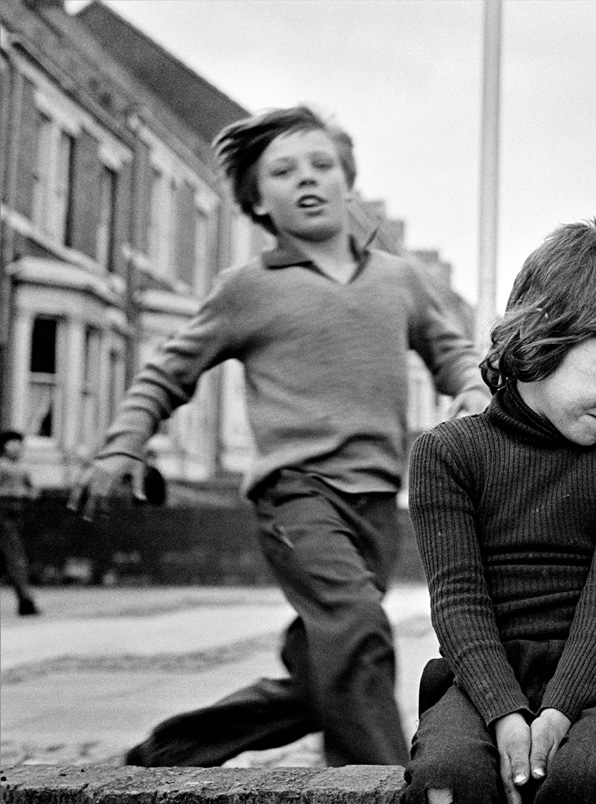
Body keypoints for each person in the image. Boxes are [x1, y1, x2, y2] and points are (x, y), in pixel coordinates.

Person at [68, 105, 490, 767]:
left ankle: (168, 753)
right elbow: (166, 370)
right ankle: (377, 781)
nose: (307, 179)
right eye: (283, 171)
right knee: (357, 630)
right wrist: (124, 442)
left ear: (347, 180)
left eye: (321, 164)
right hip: (297, 497)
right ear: (256, 200)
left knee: (326, 673)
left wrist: (472, 386)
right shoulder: (246, 290)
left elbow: (454, 353)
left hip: (375, 503)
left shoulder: (398, 279)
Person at [404, 220, 596, 804]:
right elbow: (457, 600)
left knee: (587, 780)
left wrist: (558, 711)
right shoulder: (447, 453)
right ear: (541, 340)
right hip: (482, 678)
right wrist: (506, 712)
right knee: (450, 781)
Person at [1, 430, 39, 616]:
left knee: (15, 557)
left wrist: (28, 494)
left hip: (16, 513)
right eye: (12, 443)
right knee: (15, 558)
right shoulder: (2, 466)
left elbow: (31, 489)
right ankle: (25, 599)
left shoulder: (22, 468)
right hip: (4, 511)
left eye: (18, 443)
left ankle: (25, 598)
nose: (16, 447)